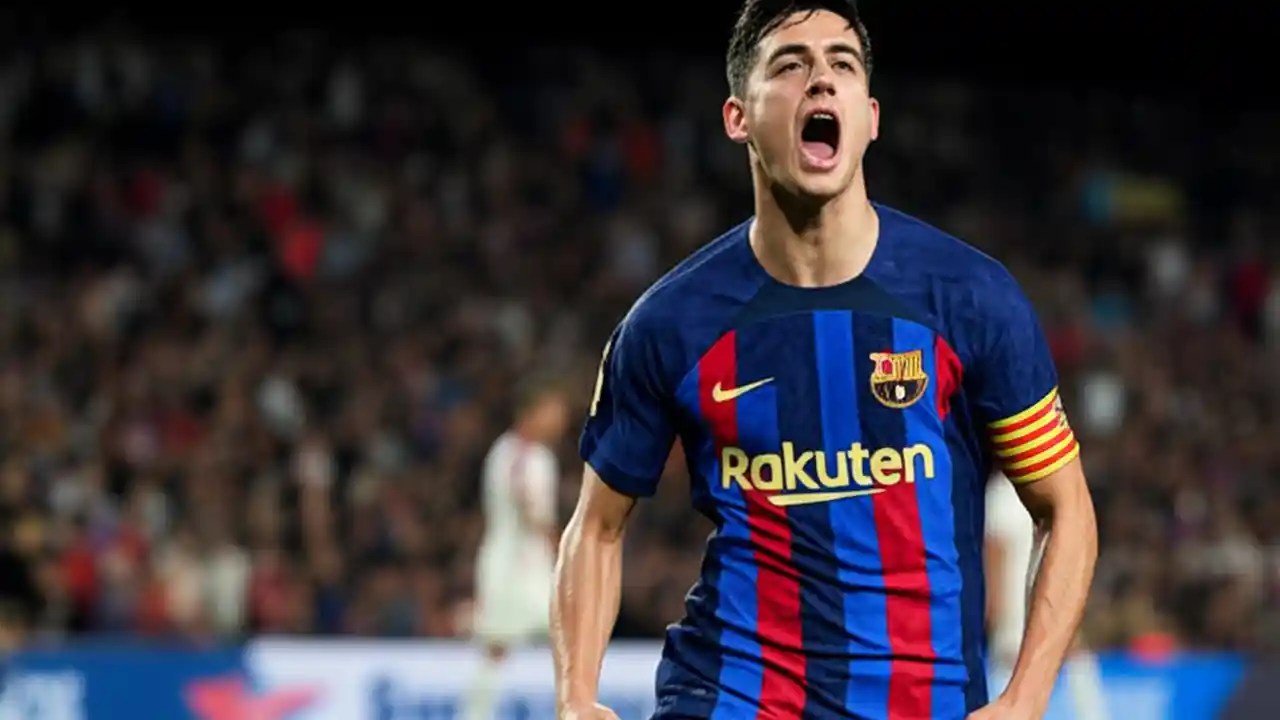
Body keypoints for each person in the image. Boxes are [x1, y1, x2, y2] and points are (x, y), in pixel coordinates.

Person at [551, 1, 1099, 718]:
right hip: (729, 696)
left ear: (869, 117)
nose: (820, 80)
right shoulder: (669, 324)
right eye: (790, 64)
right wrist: (574, 698)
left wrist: (1025, 699)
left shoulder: (970, 300)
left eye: (841, 63)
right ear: (737, 117)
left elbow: (1066, 510)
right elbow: (596, 525)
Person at [464, 375, 569, 720]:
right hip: (518, 568)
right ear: (533, 411)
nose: (561, 420)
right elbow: (533, 512)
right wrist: (565, 554)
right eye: (554, 411)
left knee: (504, 646)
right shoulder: (527, 456)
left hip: (510, 562)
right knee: (564, 635)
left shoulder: (504, 450)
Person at [985, 473, 1109, 719]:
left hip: (1013, 641)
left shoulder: (998, 497)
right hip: (1058, 624)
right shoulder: (1057, 482)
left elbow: (994, 583)